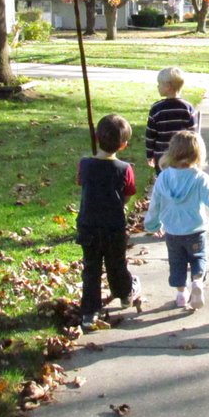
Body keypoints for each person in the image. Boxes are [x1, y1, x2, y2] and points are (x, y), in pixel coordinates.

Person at [144, 131, 209, 309]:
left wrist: (152, 225)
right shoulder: (201, 178)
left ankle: (181, 294)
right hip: (196, 230)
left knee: (177, 263)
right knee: (198, 258)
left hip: (173, 232)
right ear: (198, 154)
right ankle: (197, 281)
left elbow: (155, 204)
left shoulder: (163, 178)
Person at [76, 114, 141, 331]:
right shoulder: (125, 169)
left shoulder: (85, 165)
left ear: (96, 137)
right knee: (116, 264)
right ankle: (124, 293)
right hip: (113, 225)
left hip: (88, 224)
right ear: (123, 145)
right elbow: (128, 193)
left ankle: (89, 311)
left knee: (91, 268)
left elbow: (81, 184)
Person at [145, 67, 199, 175]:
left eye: (159, 84)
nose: (158, 86)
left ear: (168, 86)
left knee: (164, 182)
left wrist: (149, 154)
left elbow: (151, 135)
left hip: (162, 157)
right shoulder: (187, 108)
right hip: (183, 156)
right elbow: (193, 134)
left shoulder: (156, 109)